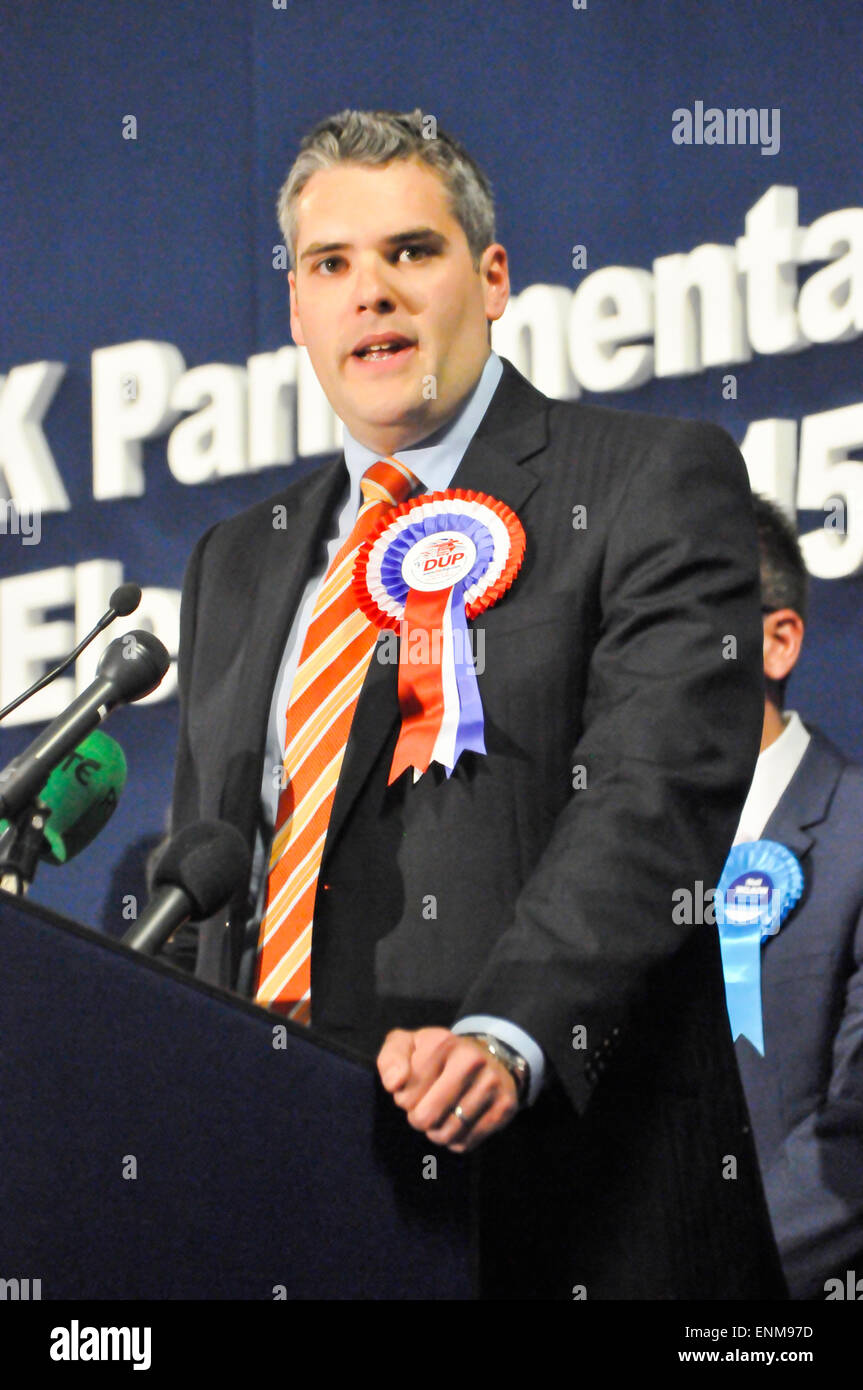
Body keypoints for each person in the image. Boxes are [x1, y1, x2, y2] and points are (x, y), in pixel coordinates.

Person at [168, 107, 786, 1299]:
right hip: (284, 1188)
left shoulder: (646, 477)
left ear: (492, 278)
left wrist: (505, 1032)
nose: (370, 291)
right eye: (329, 265)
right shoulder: (235, 559)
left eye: (411, 251)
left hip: (567, 1199)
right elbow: (212, 878)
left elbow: (650, 797)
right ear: (295, 309)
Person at [731, 494, 863, 1300]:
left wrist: (694, 1275)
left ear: (776, 642)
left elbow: (853, 1135)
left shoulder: (854, 832)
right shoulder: (593, 848)